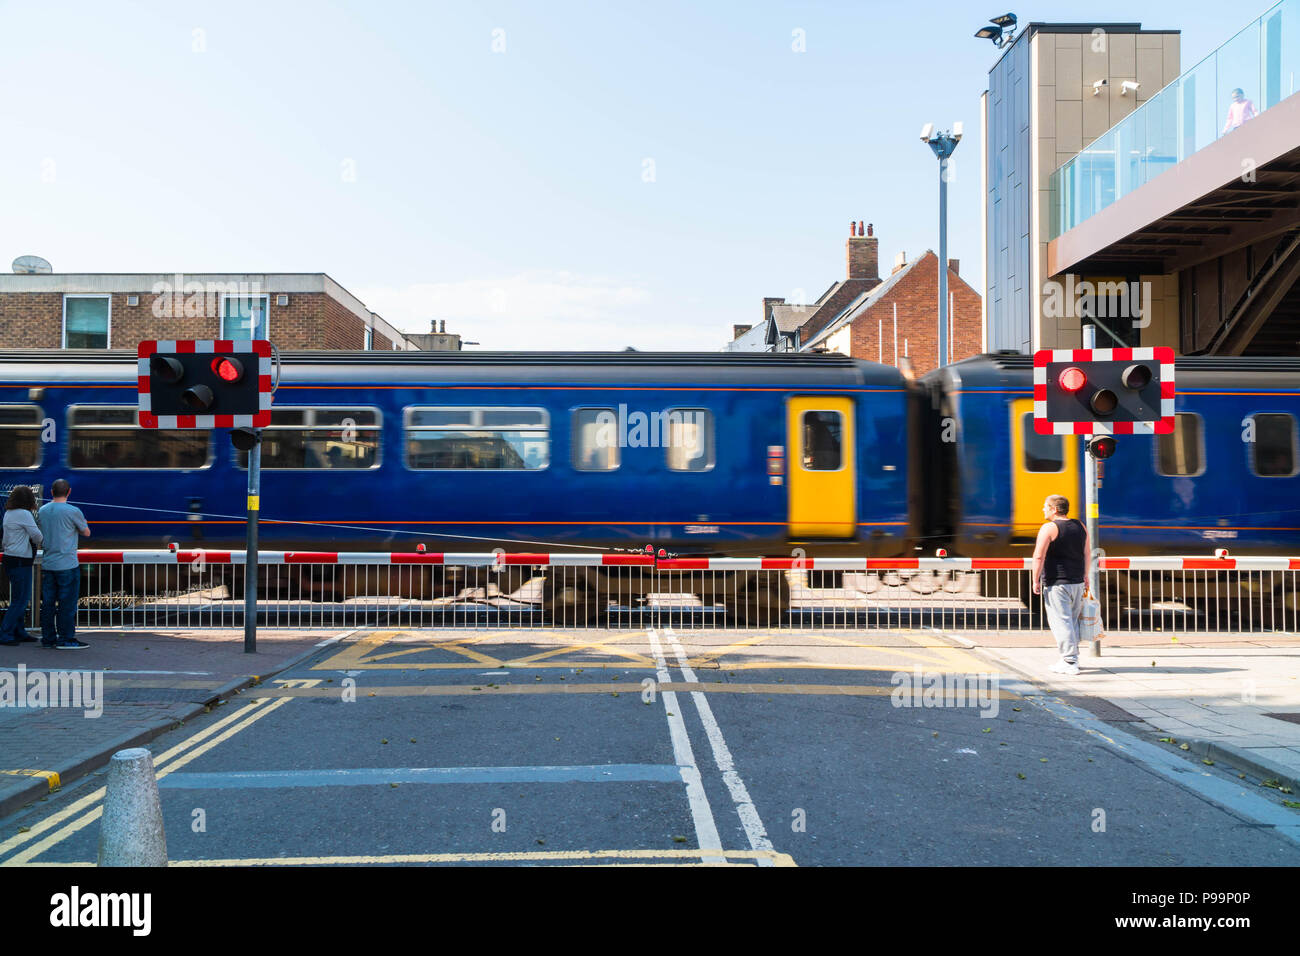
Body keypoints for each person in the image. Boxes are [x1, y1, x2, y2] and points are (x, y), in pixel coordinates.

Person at [1032, 494, 1090, 676]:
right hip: (1077, 581)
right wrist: (1086, 575)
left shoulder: (1049, 528)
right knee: (1071, 621)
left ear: (1054, 509)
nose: (1043, 509)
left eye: (1045, 506)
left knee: (1060, 621)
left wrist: (1035, 579)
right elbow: (1087, 553)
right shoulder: (1080, 526)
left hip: (1057, 583)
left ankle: (1069, 661)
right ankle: (1070, 657)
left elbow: (1038, 556)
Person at [36, 479, 90, 649]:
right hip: (67, 564)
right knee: (67, 604)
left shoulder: (42, 510)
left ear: (52, 492)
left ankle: (48, 638)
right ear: (69, 492)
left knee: (48, 604)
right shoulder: (73, 511)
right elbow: (86, 532)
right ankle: (66, 638)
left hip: (48, 563)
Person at [1, 486, 43, 646]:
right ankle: (5, 633)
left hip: (9, 558)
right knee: (21, 599)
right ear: (28, 500)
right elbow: (37, 536)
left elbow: (5, 539)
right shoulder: (24, 514)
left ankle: (19, 631)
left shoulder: (9, 513)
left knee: (17, 597)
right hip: (21, 560)